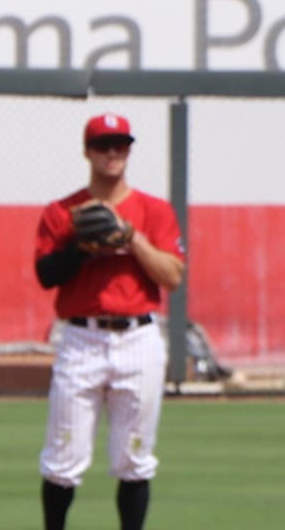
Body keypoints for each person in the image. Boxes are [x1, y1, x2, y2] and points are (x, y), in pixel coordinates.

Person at [32, 113, 185, 530]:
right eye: (103, 145)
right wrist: (84, 246)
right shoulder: (63, 211)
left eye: (120, 144)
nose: (112, 153)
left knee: (134, 458)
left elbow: (172, 275)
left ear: (129, 150)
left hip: (138, 337)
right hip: (82, 337)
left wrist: (131, 236)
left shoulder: (153, 211)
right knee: (63, 457)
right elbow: (46, 275)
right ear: (88, 152)